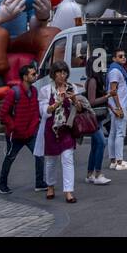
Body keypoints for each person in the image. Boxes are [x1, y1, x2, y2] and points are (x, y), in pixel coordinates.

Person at [0, 61, 44, 194]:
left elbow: (35, 111)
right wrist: (13, 127)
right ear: (25, 77)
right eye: (33, 74)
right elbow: (3, 114)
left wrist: (35, 126)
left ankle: (40, 182)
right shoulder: (14, 92)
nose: (35, 76)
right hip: (15, 135)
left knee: (39, 155)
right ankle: (1, 184)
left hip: (30, 133)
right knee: (10, 158)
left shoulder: (34, 91)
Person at [37, 60, 78, 203]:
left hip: (66, 128)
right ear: (53, 74)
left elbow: (79, 109)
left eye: (64, 72)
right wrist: (57, 103)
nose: (62, 75)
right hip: (51, 129)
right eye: (59, 72)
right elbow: (44, 111)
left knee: (67, 158)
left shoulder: (72, 88)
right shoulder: (45, 90)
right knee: (51, 160)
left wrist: (74, 100)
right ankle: (50, 186)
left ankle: (68, 191)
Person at [83, 52, 112, 184]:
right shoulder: (93, 81)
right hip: (93, 118)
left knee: (95, 145)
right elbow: (92, 101)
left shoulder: (92, 80)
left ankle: (90, 174)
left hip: (95, 118)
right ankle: (98, 173)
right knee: (101, 143)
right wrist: (106, 96)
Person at [106, 48, 127, 171]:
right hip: (119, 106)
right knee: (119, 133)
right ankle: (119, 161)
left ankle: (113, 161)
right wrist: (118, 107)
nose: (123, 58)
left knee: (113, 133)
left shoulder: (116, 70)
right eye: (120, 56)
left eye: (124, 56)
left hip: (115, 106)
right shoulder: (116, 71)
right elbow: (113, 91)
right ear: (114, 58)